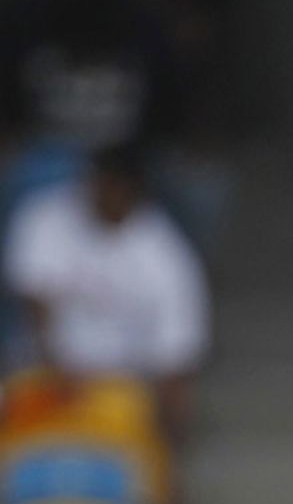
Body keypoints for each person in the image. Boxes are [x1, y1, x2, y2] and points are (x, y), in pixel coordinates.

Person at [3, 142, 210, 446]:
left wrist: (171, 455)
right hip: (40, 376)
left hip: (120, 393)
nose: (102, 194)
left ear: (136, 192)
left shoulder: (168, 258)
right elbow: (34, 297)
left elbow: (175, 362)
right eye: (98, 183)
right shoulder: (45, 216)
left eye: (114, 188)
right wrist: (55, 364)